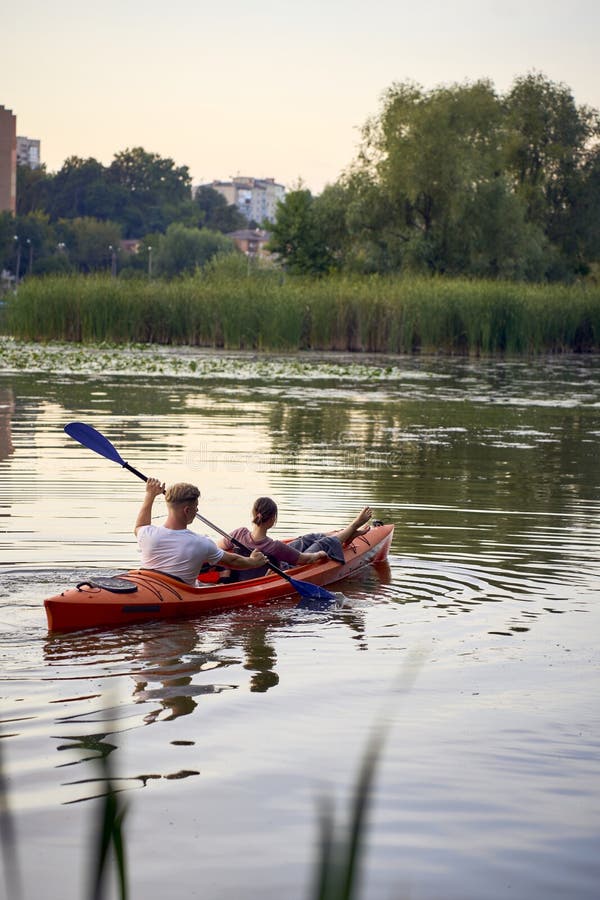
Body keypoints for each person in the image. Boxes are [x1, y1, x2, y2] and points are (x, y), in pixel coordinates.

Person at [134, 478, 268, 586]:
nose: (197, 511)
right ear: (187, 510)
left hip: (148, 585)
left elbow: (140, 525)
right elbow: (233, 561)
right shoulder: (201, 543)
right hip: (180, 594)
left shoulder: (147, 534)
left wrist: (150, 495)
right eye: (196, 507)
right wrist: (253, 562)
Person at [217, 497, 373, 580]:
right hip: (286, 567)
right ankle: (353, 526)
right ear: (272, 520)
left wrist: (226, 568)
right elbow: (305, 560)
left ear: (254, 514)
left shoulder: (238, 534)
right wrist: (319, 555)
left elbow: (217, 549)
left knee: (306, 539)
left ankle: (345, 534)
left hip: (273, 562)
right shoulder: (274, 547)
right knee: (323, 543)